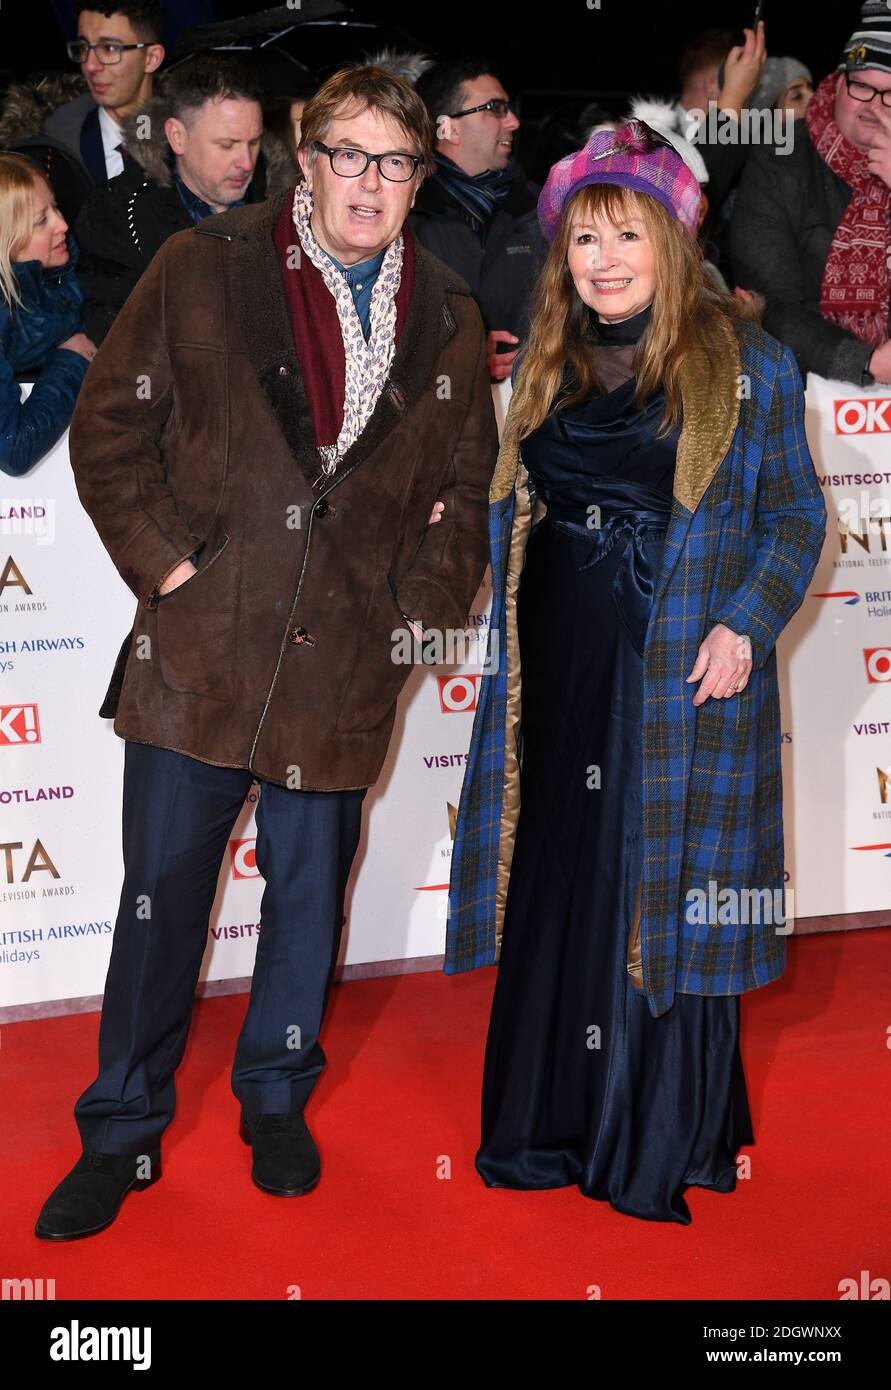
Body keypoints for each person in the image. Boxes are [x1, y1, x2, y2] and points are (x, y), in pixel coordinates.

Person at [35, 63, 498, 1242]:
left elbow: (462, 490)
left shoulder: (445, 309)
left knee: (304, 908)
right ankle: (120, 1130)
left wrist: (411, 623)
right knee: (160, 904)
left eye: (395, 163)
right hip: (201, 653)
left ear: (418, 176)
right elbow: (111, 425)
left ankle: (276, 1098)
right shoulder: (203, 266)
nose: (369, 182)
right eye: (348, 152)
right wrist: (169, 571)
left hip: (344, 667)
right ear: (306, 148)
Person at [445, 120, 827, 1223]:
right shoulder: (545, 355)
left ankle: (643, 1129)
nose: (601, 261)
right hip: (558, 646)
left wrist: (746, 623)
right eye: (581, 240)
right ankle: (548, 1116)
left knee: (651, 881)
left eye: (624, 236)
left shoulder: (748, 359)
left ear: (669, 237)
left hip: (677, 661)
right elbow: (508, 508)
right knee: (562, 867)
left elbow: (798, 517)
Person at [732, 2, 891, 385]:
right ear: (838, 84)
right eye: (862, 86)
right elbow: (767, 303)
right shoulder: (780, 158)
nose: (873, 106)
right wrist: (865, 362)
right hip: (806, 389)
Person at [74, 55, 267, 344]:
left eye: (254, 142)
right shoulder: (117, 217)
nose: (246, 162)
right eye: (226, 145)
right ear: (177, 137)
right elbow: (120, 343)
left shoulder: (290, 202)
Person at [410, 59, 547, 383]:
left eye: (509, 108)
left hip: (530, 410)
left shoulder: (543, 210)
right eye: (495, 108)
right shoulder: (404, 215)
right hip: (441, 415)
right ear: (447, 126)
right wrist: (461, 354)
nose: (513, 121)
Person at [0, 153, 96, 477]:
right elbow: (13, 449)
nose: (62, 224)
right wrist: (73, 359)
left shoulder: (68, 272)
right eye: (41, 221)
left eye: (55, 207)